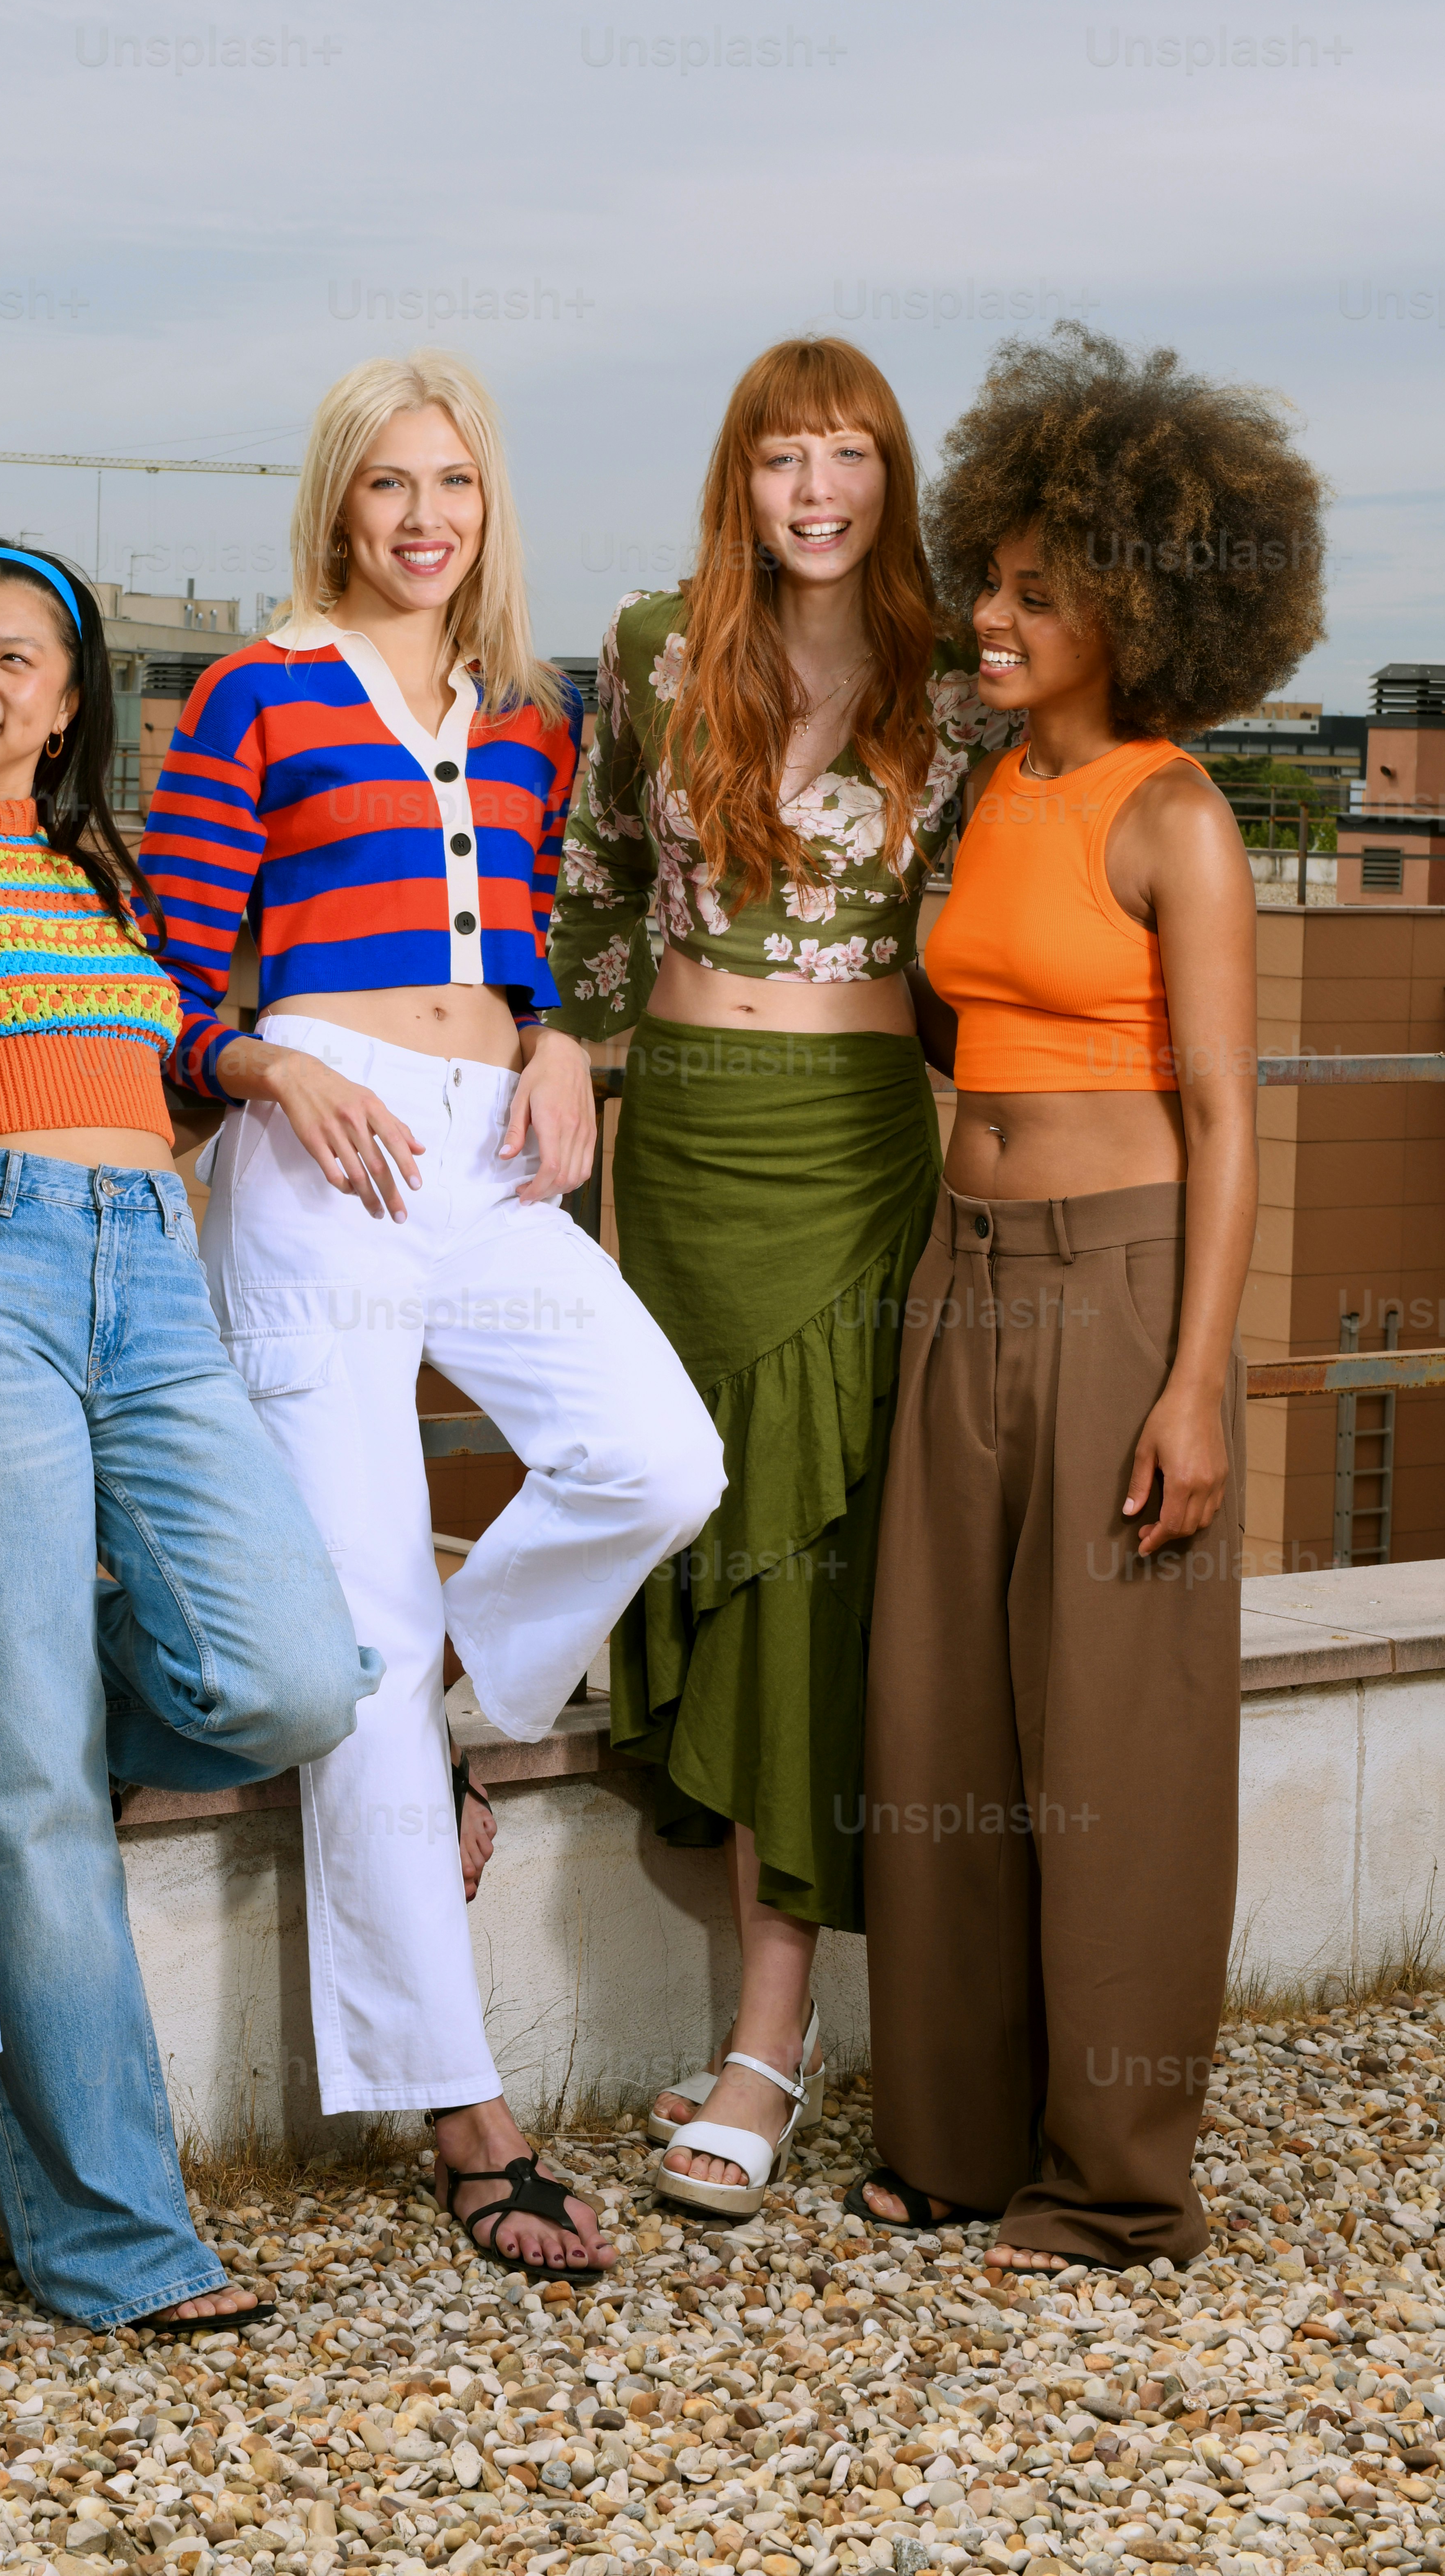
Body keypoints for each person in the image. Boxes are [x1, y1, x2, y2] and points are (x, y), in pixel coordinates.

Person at [138, 352, 723, 2281]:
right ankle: (466, 2120)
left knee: (654, 1454)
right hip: (315, 1150)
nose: (421, 516)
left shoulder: (528, 723)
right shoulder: (253, 690)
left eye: (451, 483)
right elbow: (162, 975)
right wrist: (254, 1069)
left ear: (485, 510)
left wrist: (565, 1047)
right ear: (336, 504)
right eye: (388, 483)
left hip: (489, 1149)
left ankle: (465, 1717)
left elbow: (537, 938)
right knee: (362, 1620)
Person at [0, 538, 377, 2333]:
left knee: (291, 1676)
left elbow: (157, 1079)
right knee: (38, 1790)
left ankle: (7, 1736)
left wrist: (243, 1092)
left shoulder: (95, 871)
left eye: (17, 660)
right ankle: (114, 2240)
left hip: (151, 1269)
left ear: (68, 704)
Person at [854, 322, 1323, 2272]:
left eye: (1038, 593)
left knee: (1114, 1743)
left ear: (1136, 609)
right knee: (938, 1717)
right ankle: (958, 2144)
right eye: (990, 575)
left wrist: (1193, 1385)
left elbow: (1223, 1118)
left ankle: (1120, 2182)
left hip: (1123, 1284)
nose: (989, 612)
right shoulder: (989, 792)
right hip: (957, 1280)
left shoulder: (1176, 814)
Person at [549, 335, 1018, 2222]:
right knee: (685, 1526)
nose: (812, 490)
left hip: (844, 1153)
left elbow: (987, 932)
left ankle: (767, 2034)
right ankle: (762, 2011)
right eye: (778, 458)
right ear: (734, 480)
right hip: (672, 1149)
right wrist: (561, 1072)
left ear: (886, 479)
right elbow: (586, 881)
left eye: (845, 457)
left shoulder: (950, 677)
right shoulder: (657, 641)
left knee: (800, 1581)